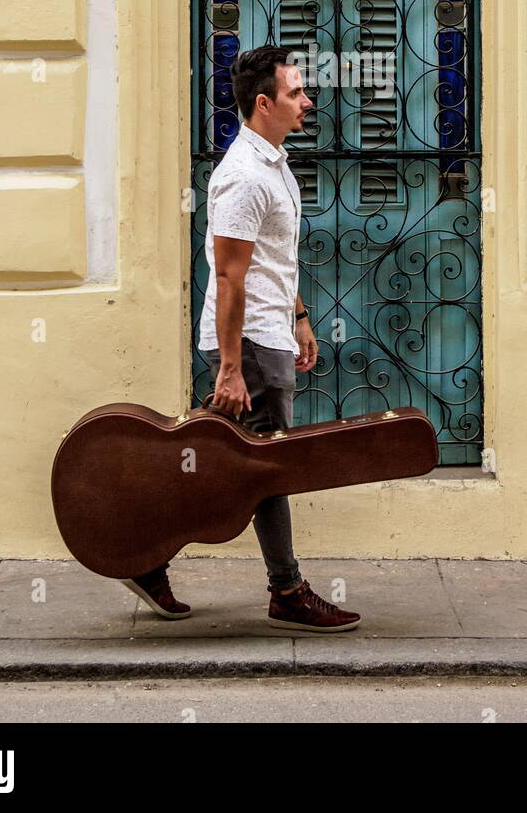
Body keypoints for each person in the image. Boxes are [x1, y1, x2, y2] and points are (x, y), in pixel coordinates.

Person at [122, 44, 361, 632]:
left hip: (267, 334)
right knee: (265, 470)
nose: (308, 101)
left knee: (230, 468)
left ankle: (147, 558)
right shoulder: (243, 176)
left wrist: (300, 317)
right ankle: (287, 589)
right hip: (248, 346)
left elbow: (273, 262)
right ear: (264, 103)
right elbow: (228, 276)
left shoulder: (274, 164)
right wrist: (230, 367)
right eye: (296, 93)